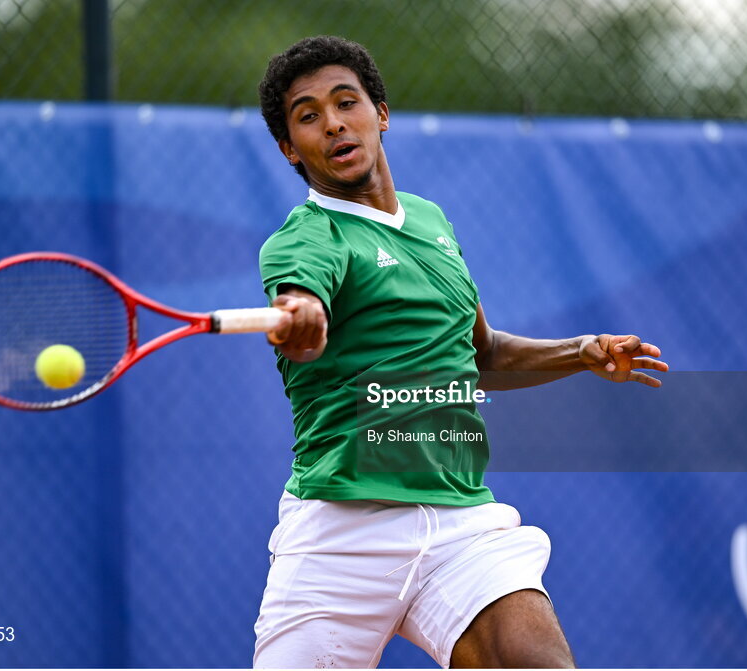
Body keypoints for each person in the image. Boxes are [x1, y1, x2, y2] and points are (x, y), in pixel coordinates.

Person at [254, 35, 667, 668]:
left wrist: (579, 351)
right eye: (308, 116)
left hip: (459, 524)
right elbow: (300, 296)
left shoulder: (430, 221)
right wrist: (301, 315)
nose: (334, 122)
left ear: (380, 112)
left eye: (347, 102)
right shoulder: (307, 239)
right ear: (290, 148)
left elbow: (483, 352)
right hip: (342, 529)